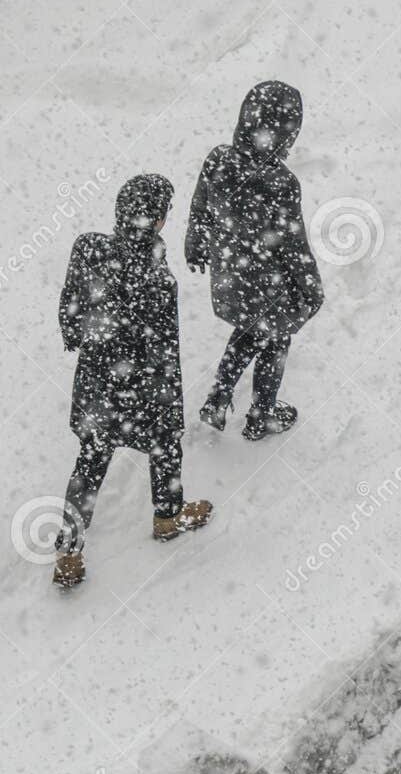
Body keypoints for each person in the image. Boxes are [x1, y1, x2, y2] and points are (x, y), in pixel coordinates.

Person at [53, 173, 213, 589]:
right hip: (143, 388)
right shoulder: (158, 279)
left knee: (90, 459)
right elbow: (164, 350)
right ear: (158, 220)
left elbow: (71, 319)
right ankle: (167, 515)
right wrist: (168, 404)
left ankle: (68, 551)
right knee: (165, 447)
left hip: (97, 383)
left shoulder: (89, 247)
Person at [185, 80, 324, 440]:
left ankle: (217, 399)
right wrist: (311, 286)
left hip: (230, 277)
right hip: (269, 286)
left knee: (246, 330)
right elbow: (293, 244)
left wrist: (195, 243)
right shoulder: (281, 183)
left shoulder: (218, 159)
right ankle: (263, 415)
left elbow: (200, 207)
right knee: (275, 341)